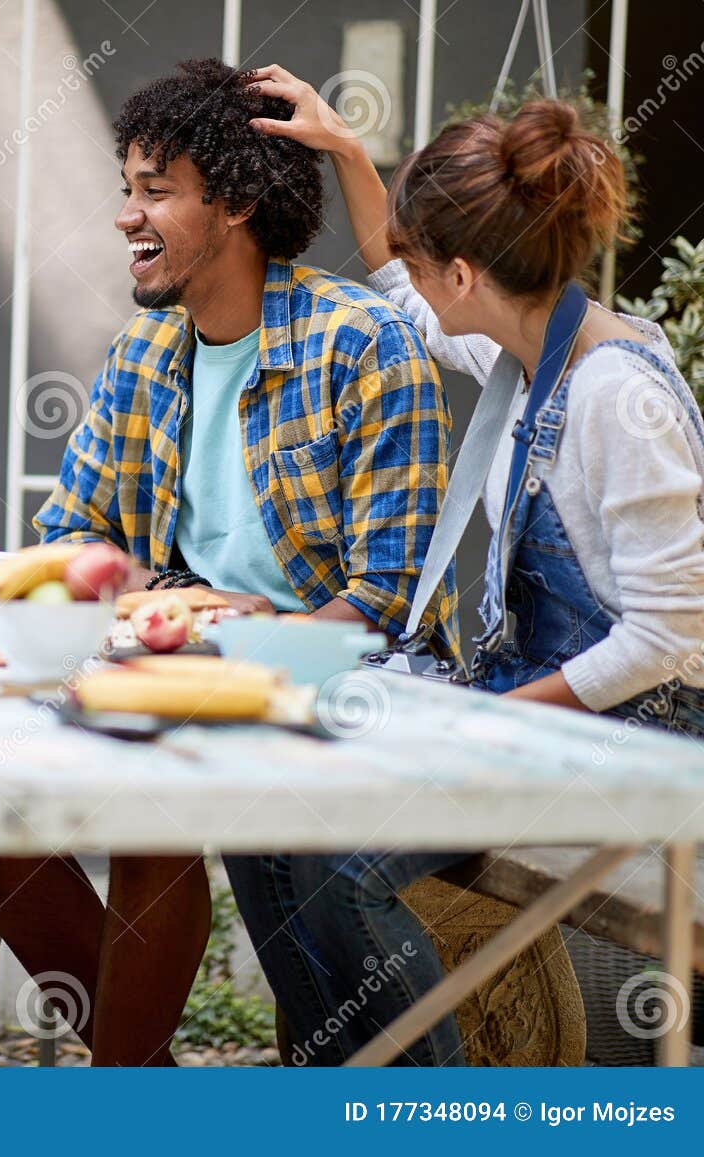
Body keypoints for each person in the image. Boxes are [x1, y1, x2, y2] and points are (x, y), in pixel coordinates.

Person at [0, 58, 459, 1065]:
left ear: (232, 201)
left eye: (154, 190)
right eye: (125, 190)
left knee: (150, 811)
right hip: (177, 673)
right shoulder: (145, 355)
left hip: (345, 695)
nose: (125, 217)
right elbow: (69, 533)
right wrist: (171, 597)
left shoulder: (362, 345)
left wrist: (235, 630)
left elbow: (389, 603)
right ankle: (142, 1080)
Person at [225, 65, 704, 1066]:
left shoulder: (616, 396)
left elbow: (673, 635)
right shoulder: (522, 360)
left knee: (343, 862)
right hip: (545, 719)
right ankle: (339, 1079)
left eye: (424, 260)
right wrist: (348, 150)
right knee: (261, 812)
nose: (407, 281)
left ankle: (438, 1100)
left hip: (638, 747)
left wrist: (498, 714)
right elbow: (396, 278)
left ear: (465, 276)